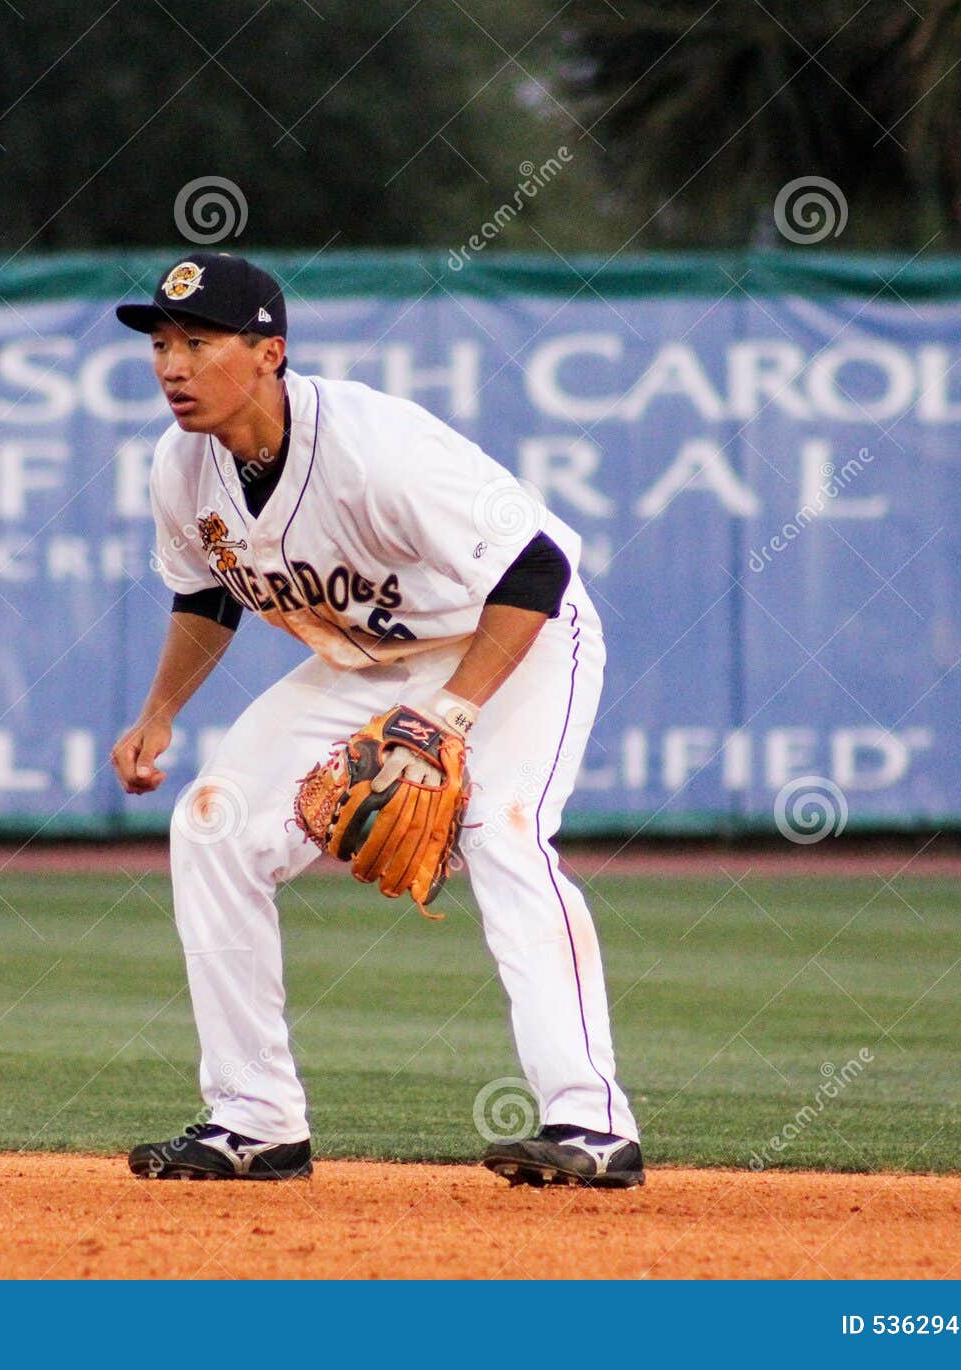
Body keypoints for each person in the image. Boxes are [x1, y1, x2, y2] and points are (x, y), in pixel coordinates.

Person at [109, 252, 642, 1188]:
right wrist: (160, 714)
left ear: (268, 352)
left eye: (198, 341)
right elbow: (207, 596)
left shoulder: (373, 445)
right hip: (368, 661)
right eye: (160, 343)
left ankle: (592, 1125)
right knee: (214, 823)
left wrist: (449, 717)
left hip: (511, 640)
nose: (172, 366)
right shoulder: (181, 466)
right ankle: (255, 1120)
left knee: (502, 831)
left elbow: (537, 572)